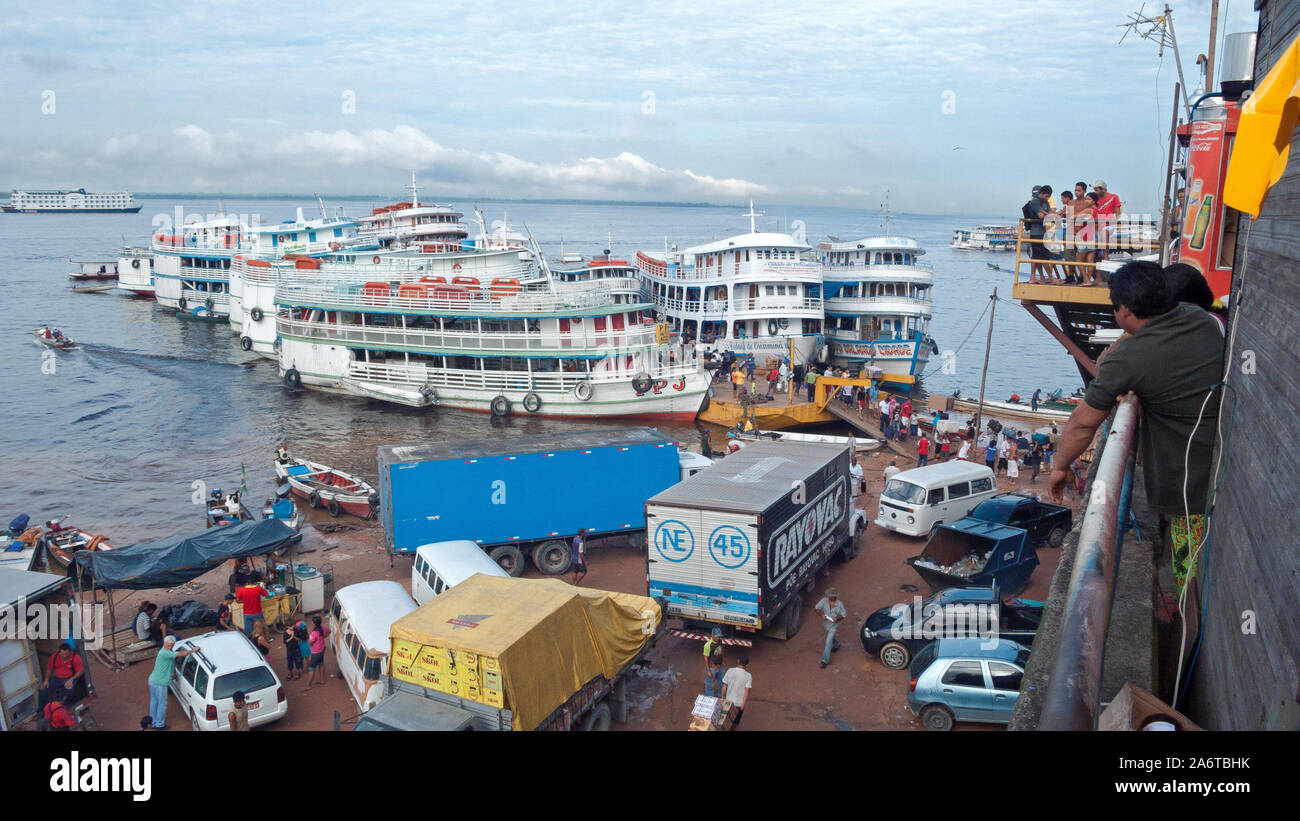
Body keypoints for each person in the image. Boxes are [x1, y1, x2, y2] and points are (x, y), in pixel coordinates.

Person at [1048, 261, 1224, 594]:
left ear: (1125, 310)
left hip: (1190, 489)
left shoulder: (1130, 359)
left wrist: (1059, 466)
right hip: (1221, 467)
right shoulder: (1198, 316)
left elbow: (1082, 424)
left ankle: (1186, 618)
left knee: (1191, 578)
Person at [147, 636, 198, 730]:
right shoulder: (165, 653)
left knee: (154, 702)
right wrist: (193, 651)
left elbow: (171, 661)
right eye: (169, 645)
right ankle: (159, 725)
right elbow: (181, 654)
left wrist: (173, 672)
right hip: (160, 683)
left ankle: (153, 722)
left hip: (153, 680)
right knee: (162, 704)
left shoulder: (165, 652)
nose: (170, 648)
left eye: (171, 646)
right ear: (164, 643)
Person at [1022, 185, 1054, 283]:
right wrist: (1048, 214)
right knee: (1038, 255)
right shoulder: (1035, 201)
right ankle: (1042, 277)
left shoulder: (1045, 202)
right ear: (1043, 194)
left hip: (1043, 232)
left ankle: (1041, 277)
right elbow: (1041, 216)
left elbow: (1049, 214)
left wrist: (1047, 214)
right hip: (1036, 232)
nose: (1047, 198)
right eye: (1046, 196)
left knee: (1041, 255)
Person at [815, 588, 846, 668]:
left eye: (832, 596)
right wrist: (821, 615)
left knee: (828, 641)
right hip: (826, 624)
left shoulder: (840, 604)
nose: (830, 598)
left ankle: (824, 660)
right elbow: (816, 609)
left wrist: (837, 619)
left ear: (835, 596)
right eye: (829, 596)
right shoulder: (823, 601)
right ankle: (836, 644)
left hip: (834, 625)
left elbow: (843, 615)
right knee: (830, 637)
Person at [720, 656, 753, 729]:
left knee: (725, 720)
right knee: (735, 722)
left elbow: (724, 685)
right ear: (747, 665)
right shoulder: (748, 676)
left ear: (738, 661)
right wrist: (743, 705)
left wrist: (722, 697)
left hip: (728, 703)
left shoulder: (730, 670)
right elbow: (747, 691)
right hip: (739, 704)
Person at [1092, 179, 1122, 259]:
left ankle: (1105, 256)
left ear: (1103, 189)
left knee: (1104, 233)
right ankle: (1096, 255)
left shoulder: (1114, 197)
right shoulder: (1095, 198)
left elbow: (1118, 213)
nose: (1095, 192)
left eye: (1096, 190)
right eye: (1094, 190)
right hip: (1097, 223)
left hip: (1108, 224)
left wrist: (1118, 225)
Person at [306, 615, 329, 687]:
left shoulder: (313, 633)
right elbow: (329, 631)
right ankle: (322, 680)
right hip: (322, 649)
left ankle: (308, 686)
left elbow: (310, 643)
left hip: (316, 652)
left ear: (314, 623)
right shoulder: (323, 628)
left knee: (312, 668)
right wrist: (324, 637)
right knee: (321, 663)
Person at [703, 627, 725, 697]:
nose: (718, 638)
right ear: (712, 635)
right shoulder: (707, 645)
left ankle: (720, 696)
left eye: (719, 636)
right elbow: (706, 658)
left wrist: (722, 662)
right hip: (712, 668)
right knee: (710, 685)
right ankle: (709, 698)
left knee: (722, 682)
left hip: (720, 667)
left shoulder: (720, 641)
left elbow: (720, 652)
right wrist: (708, 671)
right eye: (717, 636)